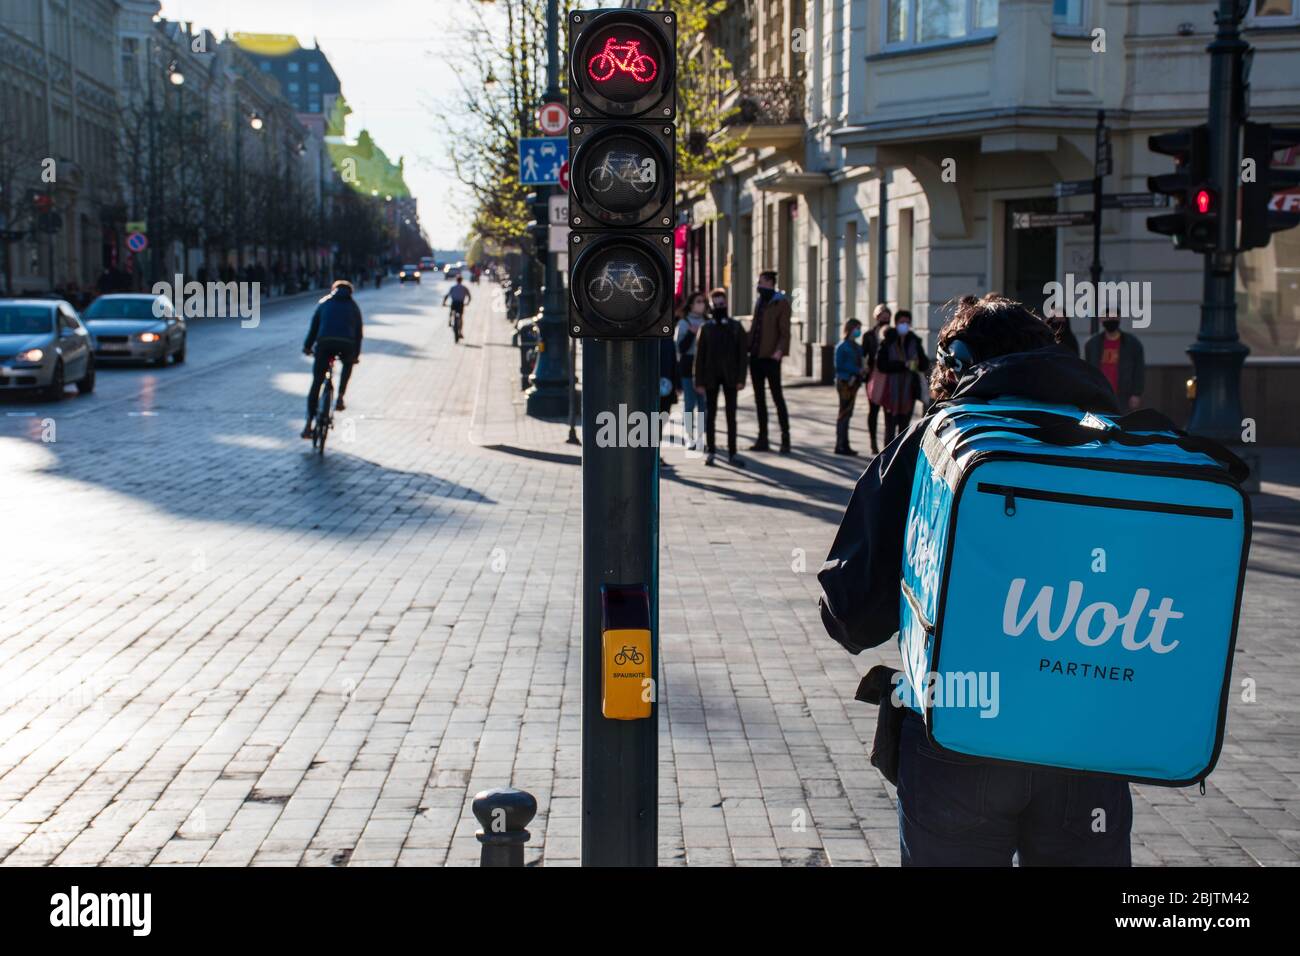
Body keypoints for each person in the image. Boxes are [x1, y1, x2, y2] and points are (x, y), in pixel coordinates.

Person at [818, 293, 1133, 867]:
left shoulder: (939, 444)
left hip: (957, 737)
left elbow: (852, 614)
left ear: (956, 364)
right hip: (1086, 745)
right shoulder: (1114, 441)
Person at [694, 289, 748, 468]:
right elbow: (699, 356)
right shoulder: (707, 328)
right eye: (716, 304)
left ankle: (732, 452)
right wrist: (699, 380)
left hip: (731, 376)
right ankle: (711, 451)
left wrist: (741, 378)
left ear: (726, 304)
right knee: (711, 414)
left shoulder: (735, 327)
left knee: (731, 415)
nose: (719, 307)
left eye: (721, 304)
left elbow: (742, 355)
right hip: (710, 376)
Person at [302, 280, 363, 438]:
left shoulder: (324, 303)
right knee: (347, 364)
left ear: (333, 290)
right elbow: (358, 333)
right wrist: (355, 355)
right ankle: (340, 397)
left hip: (325, 343)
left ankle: (309, 423)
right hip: (347, 344)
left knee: (317, 382)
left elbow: (314, 328)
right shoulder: (353, 306)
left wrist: (307, 346)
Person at [748, 270, 792, 454]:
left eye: (762, 282)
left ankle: (785, 438)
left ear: (770, 283)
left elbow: (785, 330)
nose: (759, 285)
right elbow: (755, 327)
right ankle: (762, 438)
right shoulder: (760, 301)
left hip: (771, 358)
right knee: (759, 400)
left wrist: (780, 351)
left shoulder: (780, 303)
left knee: (777, 398)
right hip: (756, 356)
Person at [874, 308, 931, 446]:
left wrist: (917, 363)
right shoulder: (888, 340)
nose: (904, 325)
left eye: (907, 322)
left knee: (904, 427)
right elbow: (881, 364)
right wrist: (903, 365)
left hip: (909, 391)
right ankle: (887, 460)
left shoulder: (914, 341)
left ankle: (899, 460)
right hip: (891, 391)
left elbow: (924, 364)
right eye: (901, 322)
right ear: (896, 323)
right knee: (890, 427)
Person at [1085, 315, 1145, 410]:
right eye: (1107, 316)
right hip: (1099, 394)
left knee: (1123, 422)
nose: (1111, 319)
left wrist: (1136, 393)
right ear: (1101, 319)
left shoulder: (1132, 343)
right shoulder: (1092, 344)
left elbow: (1138, 370)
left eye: (1114, 316)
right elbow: (1087, 370)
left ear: (1119, 318)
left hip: (1123, 396)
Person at [675, 291, 708, 449]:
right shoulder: (684, 323)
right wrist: (691, 333)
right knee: (689, 404)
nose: (701, 304)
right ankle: (689, 436)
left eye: (703, 301)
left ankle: (702, 436)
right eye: (698, 301)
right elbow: (680, 347)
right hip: (688, 368)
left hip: (705, 369)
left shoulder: (708, 322)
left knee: (704, 406)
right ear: (691, 305)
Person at [834, 318, 865, 456]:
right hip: (845, 382)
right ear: (850, 328)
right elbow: (839, 365)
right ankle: (840, 444)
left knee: (848, 413)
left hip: (854, 383)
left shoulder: (857, 346)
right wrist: (856, 370)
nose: (858, 331)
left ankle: (844, 443)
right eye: (857, 328)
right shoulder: (842, 346)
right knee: (844, 413)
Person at [864, 304, 891, 454]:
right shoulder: (869, 335)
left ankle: (888, 441)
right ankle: (873, 441)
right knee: (873, 410)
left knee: (888, 410)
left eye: (887, 315)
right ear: (876, 316)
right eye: (882, 315)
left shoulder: (891, 333)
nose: (885, 318)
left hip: (889, 376)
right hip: (873, 375)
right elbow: (864, 354)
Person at [443, 275, 471, 341]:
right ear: (461, 280)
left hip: (454, 303)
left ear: (456, 280)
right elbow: (469, 296)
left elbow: (447, 296)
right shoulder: (464, 288)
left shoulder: (453, 287)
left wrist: (443, 303)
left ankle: (450, 321)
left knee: (451, 311)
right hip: (461, 304)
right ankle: (460, 332)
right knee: (460, 317)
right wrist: (467, 303)